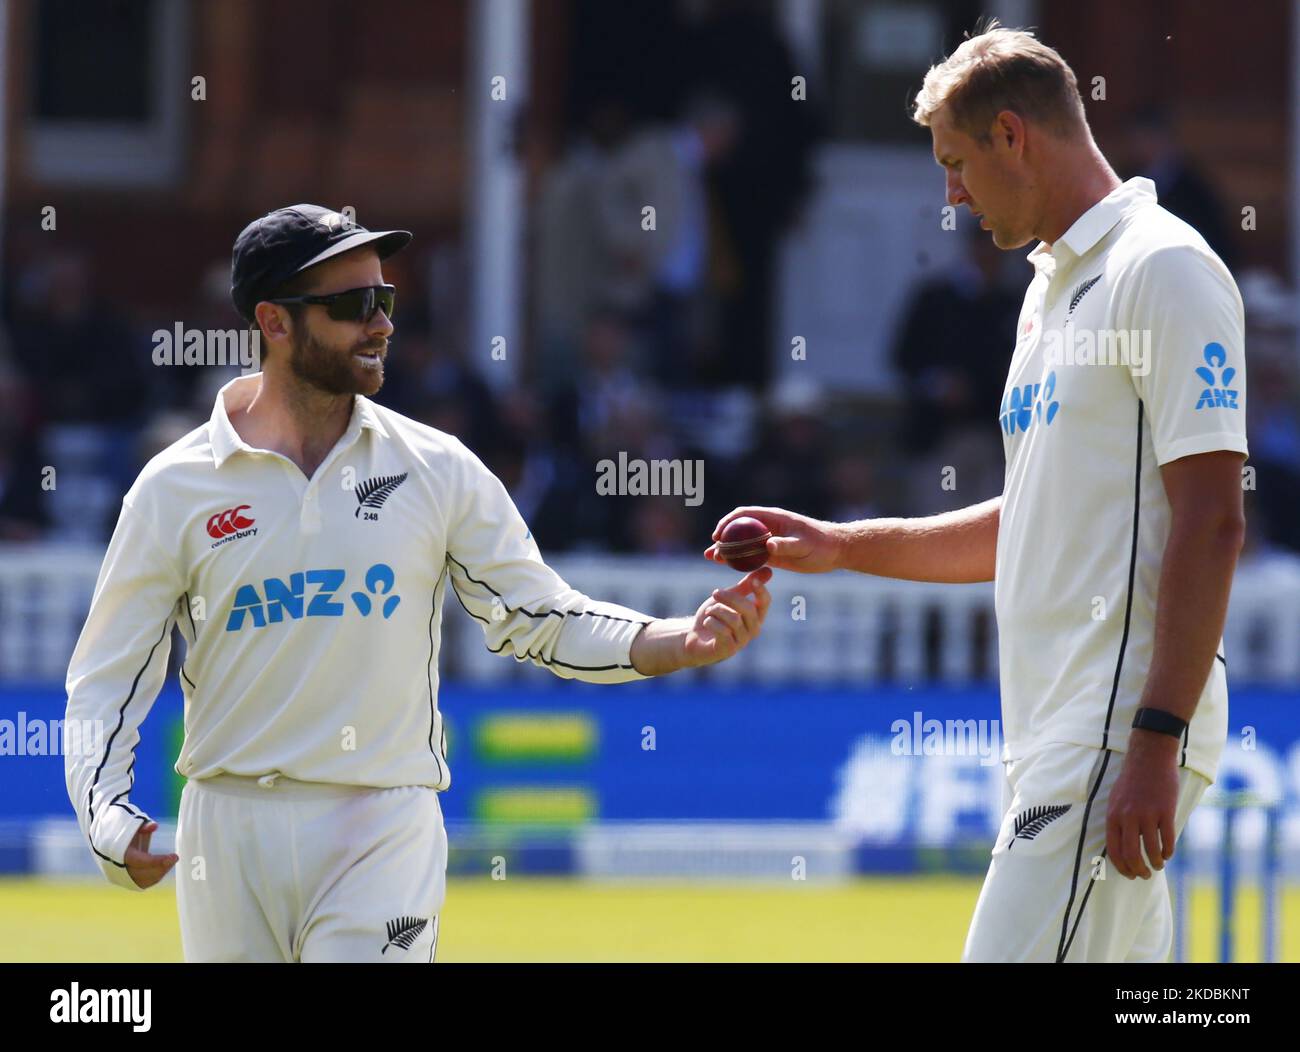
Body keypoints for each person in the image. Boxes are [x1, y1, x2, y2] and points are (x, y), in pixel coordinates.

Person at [64, 203, 771, 962]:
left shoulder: (437, 467)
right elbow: (107, 677)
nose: (380, 324)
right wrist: (107, 819)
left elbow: (539, 615)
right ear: (273, 323)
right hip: (225, 828)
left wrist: (675, 641)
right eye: (351, 306)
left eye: (385, 300)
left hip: (381, 824)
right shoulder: (174, 487)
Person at [707, 22, 1247, 963]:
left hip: (1114, 733)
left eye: (955, 164)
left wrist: (1155, 740)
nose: (950, 196)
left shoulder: (1162, 267)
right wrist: (842, 545)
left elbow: (1213, 519)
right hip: (1055, 734)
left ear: (1011, 136)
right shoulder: (1044, 297)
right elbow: (1027, 521)